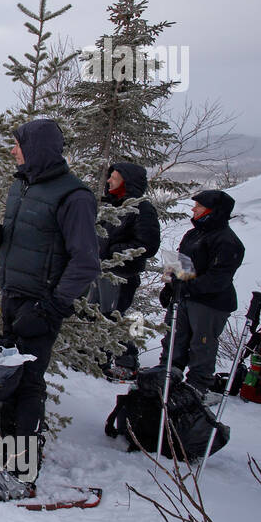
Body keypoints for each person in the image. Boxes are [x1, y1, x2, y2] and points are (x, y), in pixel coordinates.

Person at [0, 118, 100, 498]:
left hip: (41, 305)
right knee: (6, 376)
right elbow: (19, 244)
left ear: (36, 148)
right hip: (13, 295)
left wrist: (52, 306)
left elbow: (86, 262)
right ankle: (7, 451)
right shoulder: (21, 186)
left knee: (27, 383)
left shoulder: (74, 197)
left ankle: (21, 475)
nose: (13, 151)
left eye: (18, 145)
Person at [160, 189, 245, 398]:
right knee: (175, 337)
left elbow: (218, 279)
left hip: (210, 303)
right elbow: (180, 262)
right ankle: (168, 375)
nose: (193, 209)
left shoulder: (227, 241)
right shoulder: (193, 234)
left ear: (212, 211)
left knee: (202, 343)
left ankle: (198, 386)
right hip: (184, 297)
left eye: (198, 206)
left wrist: (184, 287)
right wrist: (169, 286)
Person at [94, 161, 161, 378]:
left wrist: (115, 251)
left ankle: (127, 362)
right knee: (96, 315)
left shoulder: (142, 209)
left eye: (114, 176)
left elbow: (148, 245)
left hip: (122, 275)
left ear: (126, 181)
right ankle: (96, 359)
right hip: (100, 272)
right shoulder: (111, 206)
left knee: (116, 319)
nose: (109, 180)